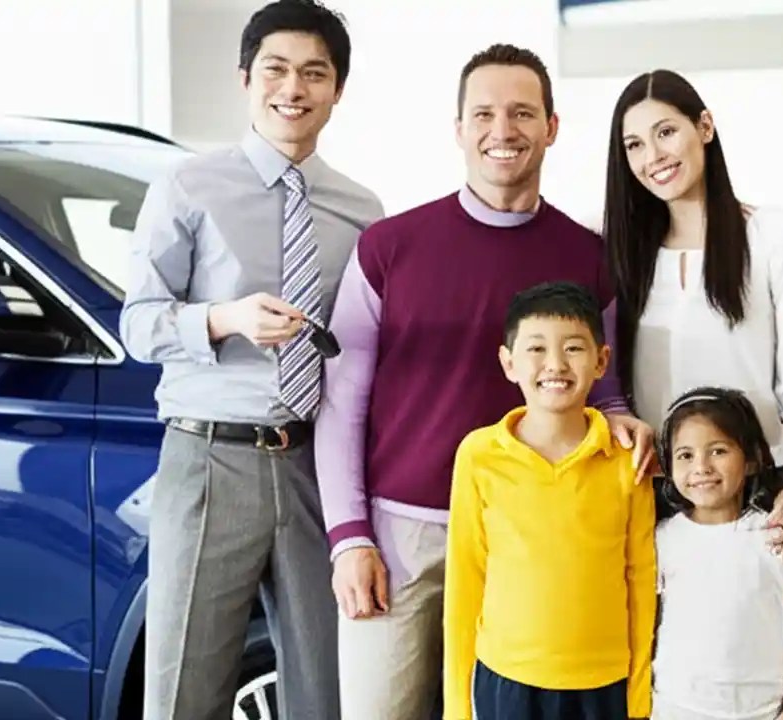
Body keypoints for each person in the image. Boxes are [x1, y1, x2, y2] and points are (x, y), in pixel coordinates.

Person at [314, 43, 654, 720]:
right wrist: (349, 537)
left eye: (523, 113)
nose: (504, 130)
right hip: (403, 537)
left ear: (551, 128)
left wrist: (623, 420)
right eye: (485, 114)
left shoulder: (589, 256)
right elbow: (342, 401)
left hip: (536, 540)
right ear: (459, 128)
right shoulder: (388, 247)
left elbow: (603, 384)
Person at [118, 1, 383, 718]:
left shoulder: (363, 211)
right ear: (245, 79)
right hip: (211, 460)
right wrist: (223, 319)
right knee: (185, 692)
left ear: (337, 89)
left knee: (328, 693)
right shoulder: (189, 186)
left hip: (314, 467)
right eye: (276, 69)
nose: (293, 88)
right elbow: (137, 323)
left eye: (314, 73)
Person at [602, 69, 783, 557]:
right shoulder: (619, 249)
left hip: (754, 486)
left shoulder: (772, 234)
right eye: (634, 145)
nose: (653, 156)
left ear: (704, 127)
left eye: (666, 132)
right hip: (655, 487)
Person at [443, 281, 657, 720]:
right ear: (509, 363)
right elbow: (464, 582)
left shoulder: (626, 458)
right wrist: (457, 708)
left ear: (601, 361)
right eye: (536, 349)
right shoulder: (479, 455)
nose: (555, 364)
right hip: (507, 679)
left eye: (574, 348)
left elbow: (641, 579)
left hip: (604, 683)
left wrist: (639, 699)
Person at [651, 386, 783, 720]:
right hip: (675, 709)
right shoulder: (662, 540)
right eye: (685, 455)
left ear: (751, 459)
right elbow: (649, 625)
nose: (701, 467)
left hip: (763, 712)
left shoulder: (776, 534)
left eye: (718, 451)